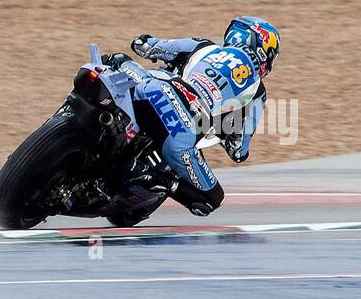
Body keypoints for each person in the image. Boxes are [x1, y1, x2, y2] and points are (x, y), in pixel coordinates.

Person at [111, 16, 280, 219]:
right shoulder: (257, 91)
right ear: (263, 51)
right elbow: (238, 151)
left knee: (114, 61)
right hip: (181, 128)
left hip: (149, 85)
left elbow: (144, 45)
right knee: (211, 199)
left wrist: (147, 41)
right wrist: (225, 129)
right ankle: (149, 177)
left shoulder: (203, 46)